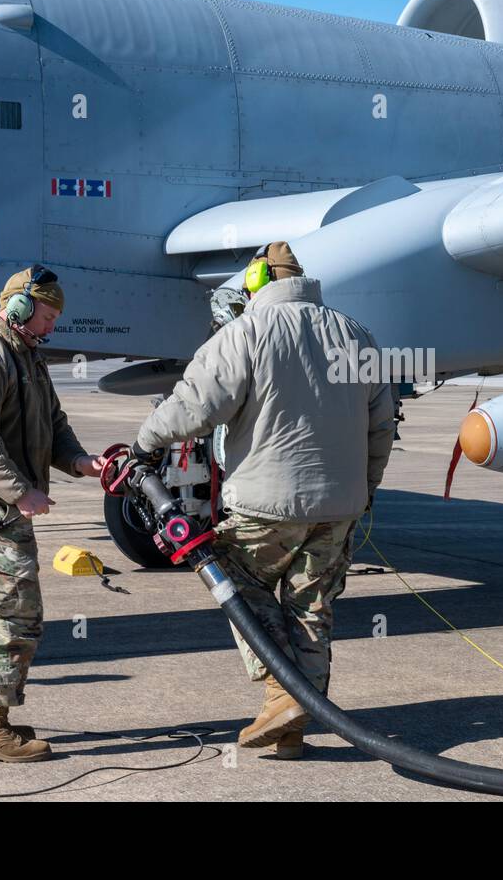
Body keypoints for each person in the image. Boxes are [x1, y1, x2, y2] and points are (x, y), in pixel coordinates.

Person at [133, 242, 395, 759]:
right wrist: (365, 489)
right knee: (311, 609)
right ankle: (294, 728)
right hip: (339, 506)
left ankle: (280, 696)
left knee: (234, 578)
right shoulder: (354, 333)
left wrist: (144, 444)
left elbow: (194, 406)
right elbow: (380, 427)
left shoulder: (245, 333)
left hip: (265, 504)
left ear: (255, 281)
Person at [0, 265, 107, 762]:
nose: (53, 326)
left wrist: (79, 461)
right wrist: (19, 492)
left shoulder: (26, 356)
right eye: (47, 315)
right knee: (14, 617)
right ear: (19, 309)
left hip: (0, 507)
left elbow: (53, 422)